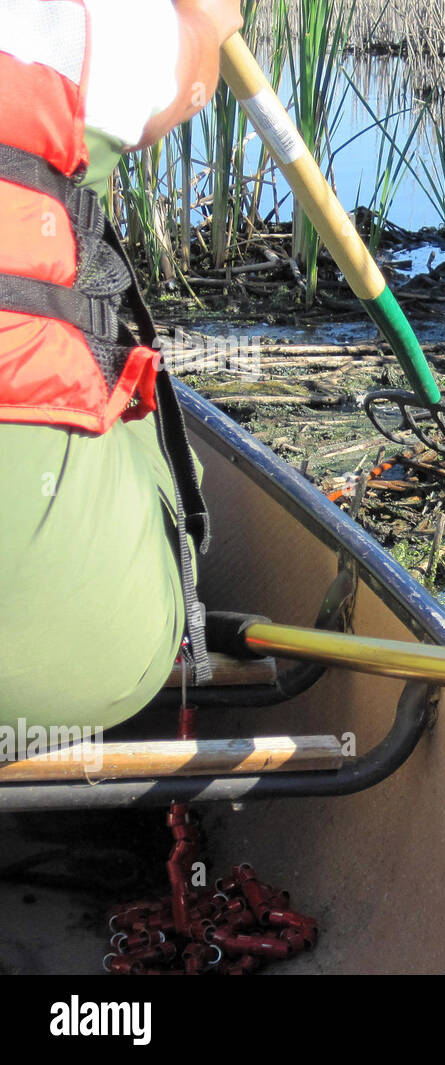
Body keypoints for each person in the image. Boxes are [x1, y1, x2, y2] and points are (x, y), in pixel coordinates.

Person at [0, 0, 244, 733]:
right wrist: (205, 18)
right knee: (155, 440)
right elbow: (193, 56)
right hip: (58, 667)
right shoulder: (73, 22)